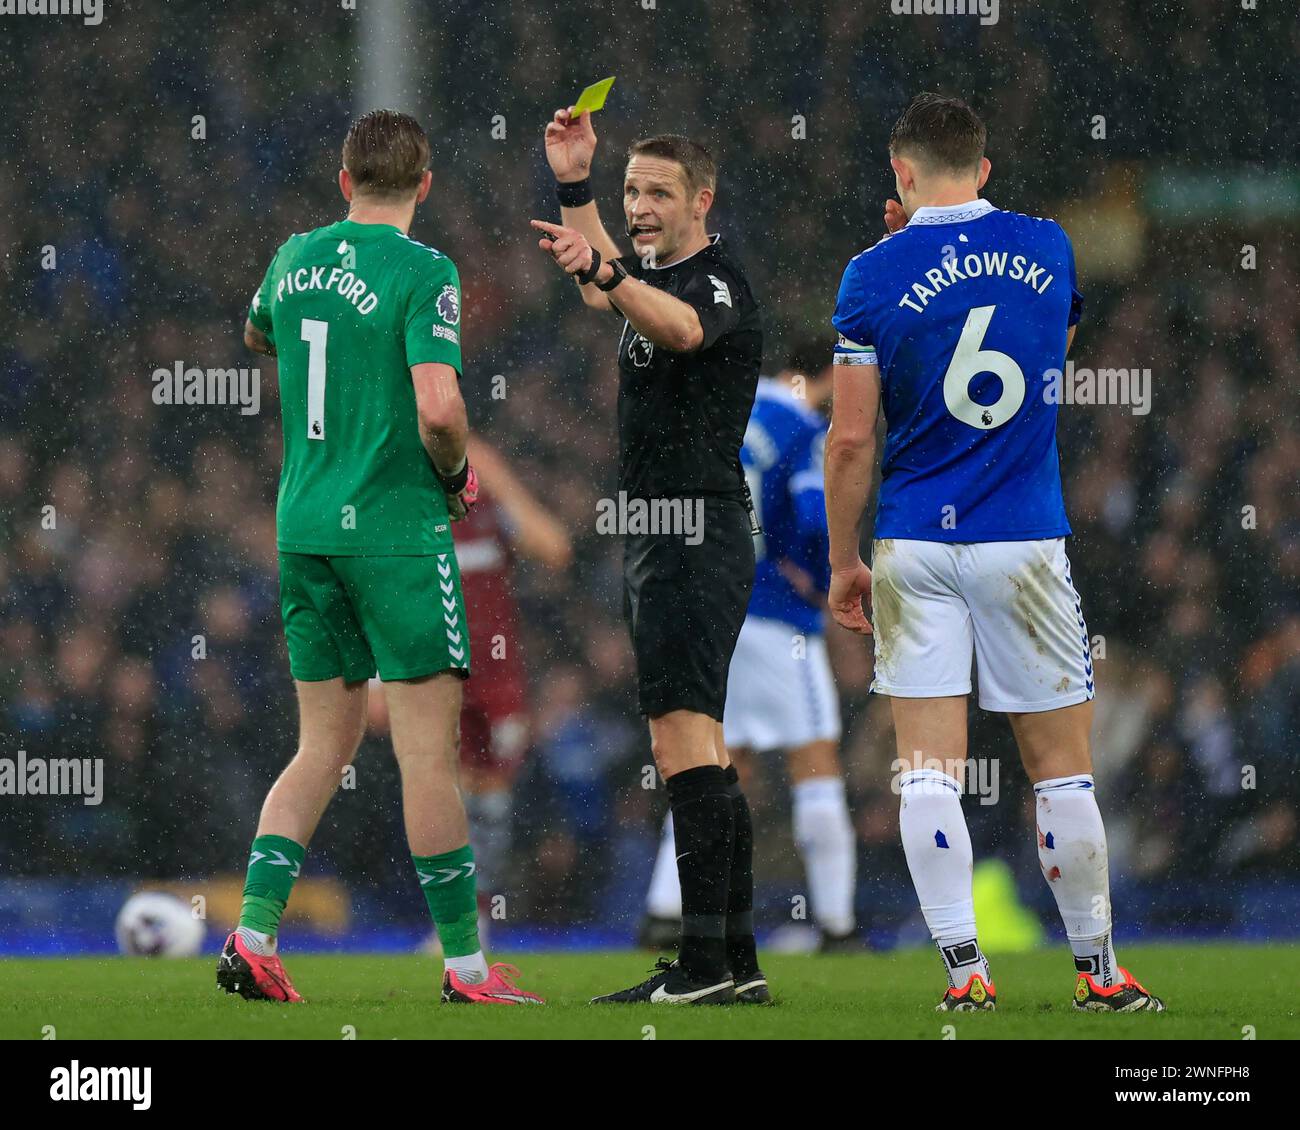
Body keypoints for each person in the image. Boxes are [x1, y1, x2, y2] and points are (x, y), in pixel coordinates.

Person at [823, 93, 1163, 1013]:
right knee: (1063, 769)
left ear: (900, 175)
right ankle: (1100, 974)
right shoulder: (1050, 246)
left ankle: (967, 977)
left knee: (927, 768)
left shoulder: (869, 274)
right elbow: (1051, 349)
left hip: (913, 542)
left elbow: (852, 441)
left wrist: (842, 558)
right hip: (1022, 535)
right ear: (984, 167)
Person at [219, 109, 542, 1006]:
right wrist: (459, 479)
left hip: (304, 529)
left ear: (343, 178)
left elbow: (260, 332)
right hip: (398, 535)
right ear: (426, 185)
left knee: (318, 747)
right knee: (427, 760)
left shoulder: (292, 256)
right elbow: (439, 407)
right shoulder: (425, 270)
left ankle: (251, 935)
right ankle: (468, 969)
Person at [532, 106, 766, 1004]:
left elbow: (676, 328)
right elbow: (607, 289)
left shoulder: (716, 283)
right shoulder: (658, 276)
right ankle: (731, 961)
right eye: (632, 192)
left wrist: (605, 266)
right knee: (701, 744)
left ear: (701, 200)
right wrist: (574, 187)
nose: (639, 206)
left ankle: (703, 966)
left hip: (690, 532)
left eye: (657, 192)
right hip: (672, 532)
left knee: (680, 743)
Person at [642, 344, 858, 952]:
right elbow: (814, 517)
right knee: (815, 766)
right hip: (776, 619)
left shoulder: (719, 407)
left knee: (705, 763)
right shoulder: (805, 423)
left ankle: (663, 910)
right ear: (825, 376)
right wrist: (814, 576)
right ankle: (838, 925)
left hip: (707, 613)